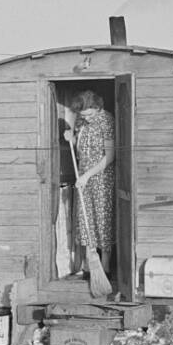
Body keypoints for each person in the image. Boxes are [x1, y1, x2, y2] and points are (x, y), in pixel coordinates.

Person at [64, 90, 115, 273]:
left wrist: (88, 175)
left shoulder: (106, 121)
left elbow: (109, 157)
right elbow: (81, 142)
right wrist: (72, 137)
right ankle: (89, 262)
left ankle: (106, 263)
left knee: (102, 219)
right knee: (85, 219)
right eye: (83, 115)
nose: (87, 118)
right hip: (83, 176)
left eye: (90, 114)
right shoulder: (82, 121)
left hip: (101, 178)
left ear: (97, 107)